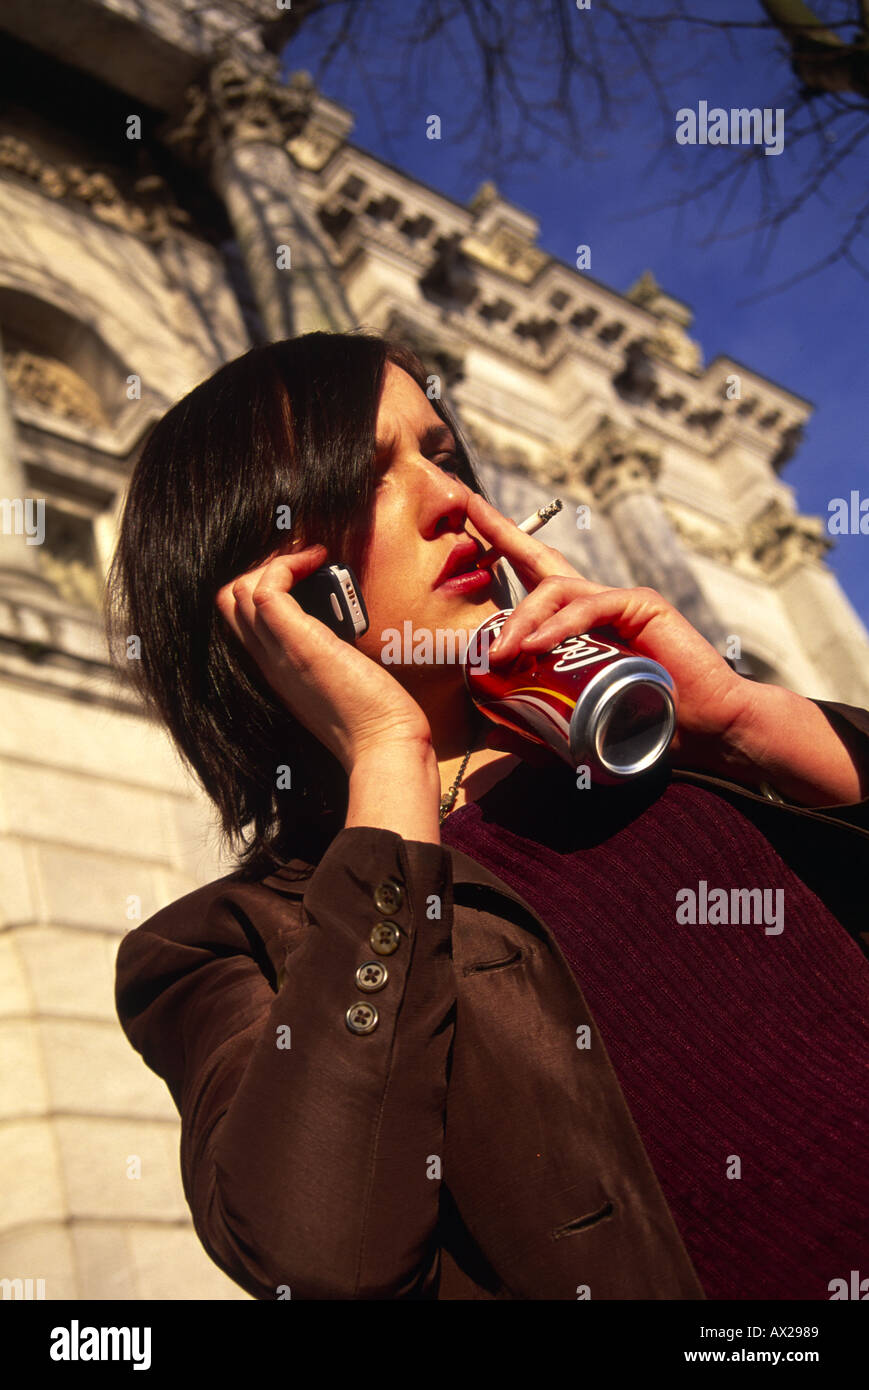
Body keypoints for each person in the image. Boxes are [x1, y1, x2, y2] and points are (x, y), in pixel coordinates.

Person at [110, 329, 869, 1301]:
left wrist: (739, 718)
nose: (453, 503)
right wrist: (390, 754)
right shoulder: (221, 945)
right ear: (263, 579)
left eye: (439, 455)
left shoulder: (644, 750)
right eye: (370, 475)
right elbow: (324, 1254)